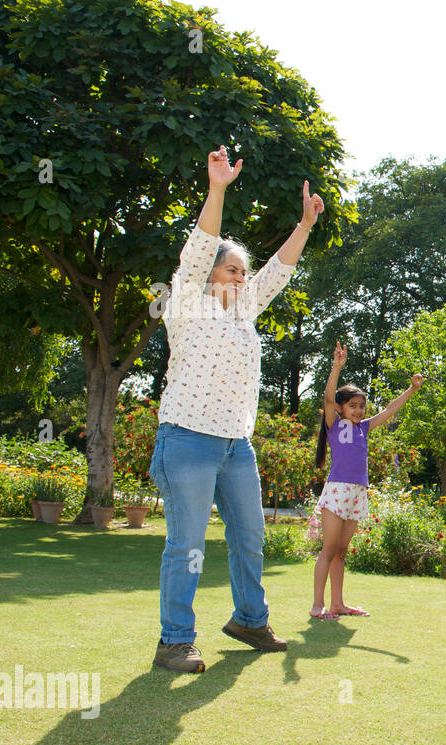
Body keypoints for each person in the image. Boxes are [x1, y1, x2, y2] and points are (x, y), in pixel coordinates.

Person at [149, 145, 326, 673]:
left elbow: (279, 271)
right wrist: (218, 188)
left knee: (250, 538)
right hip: (187, 440)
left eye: (242, 273)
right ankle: (175, 641)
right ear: (207, 276)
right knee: (187, 545)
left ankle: (250, 619)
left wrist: (304, 226)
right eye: (230, 270)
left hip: (235, 445)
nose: (240, 278)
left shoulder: (244, 313)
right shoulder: (187, 303)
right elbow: (201, 247)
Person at [307, 343, 424, 619]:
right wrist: (336, 367)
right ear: (340, 408)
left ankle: (338, 604)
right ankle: (317, 605)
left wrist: (412, 389)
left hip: (358, 493)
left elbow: (388, 412)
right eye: (353, 406)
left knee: (342, 551)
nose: (358, 411)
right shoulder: (334, 425)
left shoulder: (364, 428)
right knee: (328, 549)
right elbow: (326, 398)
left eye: (361, 406)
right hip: (337, 492)